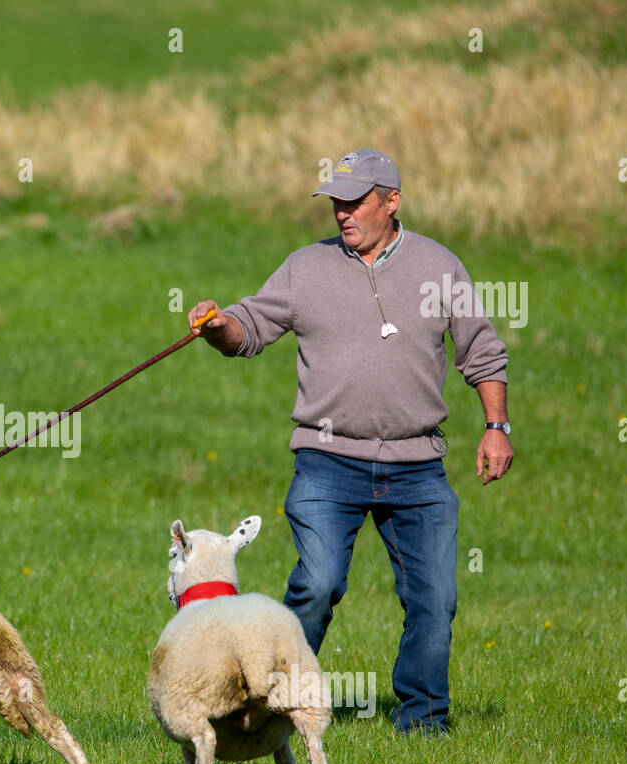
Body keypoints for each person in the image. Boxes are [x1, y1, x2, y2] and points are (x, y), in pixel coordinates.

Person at [188, 148, 513, 734]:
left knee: (434, 601)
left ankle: (423, 723)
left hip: (417, 464)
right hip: (327, 459)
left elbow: (482, 352)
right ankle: (270, 702)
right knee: (316, 585)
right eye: (335, 201)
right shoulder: (305, 268)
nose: (342, 212)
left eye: (355, 200)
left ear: (391, 201)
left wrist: (496, 427)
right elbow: (249, 329)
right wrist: (217, 326)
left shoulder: (439, 267)